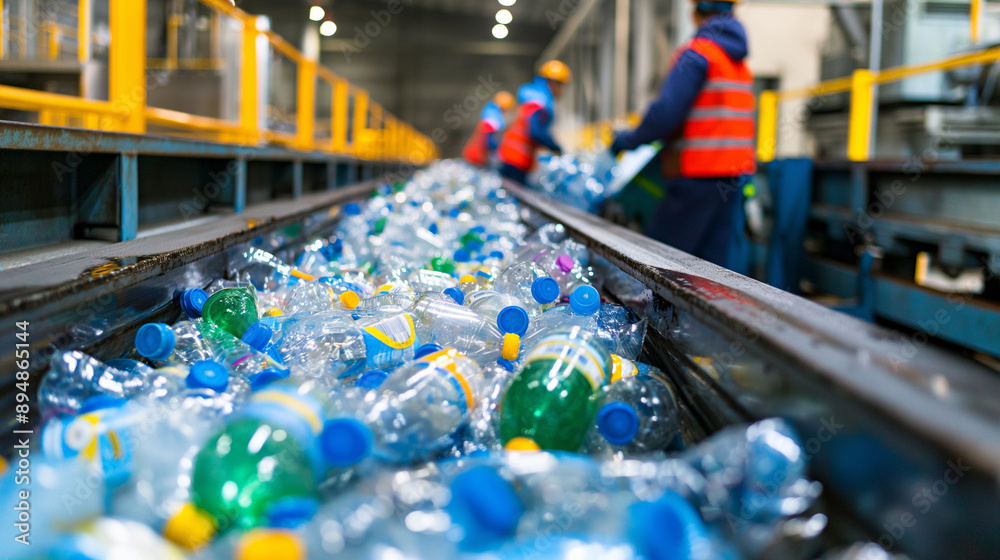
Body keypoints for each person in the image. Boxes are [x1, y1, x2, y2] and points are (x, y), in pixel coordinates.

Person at [610, 0, 755, 268]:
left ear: (696, 11)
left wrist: (626, 140)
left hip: (697, 176)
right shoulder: (738, 63)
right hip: (733, 178)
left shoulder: (697, 54)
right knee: (713, 269)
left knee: (661, 265)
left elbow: (665, 114)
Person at [498, 60, 572, 184]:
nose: (562, 91)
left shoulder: (534, 101)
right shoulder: (537, 104)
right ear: (553, 84)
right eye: (561, 86)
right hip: (516, 160)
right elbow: (536, 132)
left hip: (511, 157)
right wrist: (557, 148)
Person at [462, 91, 515, 168]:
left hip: (476, 157)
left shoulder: (489, 119)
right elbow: (490, 142)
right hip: (477, 159)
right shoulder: (491, 122)